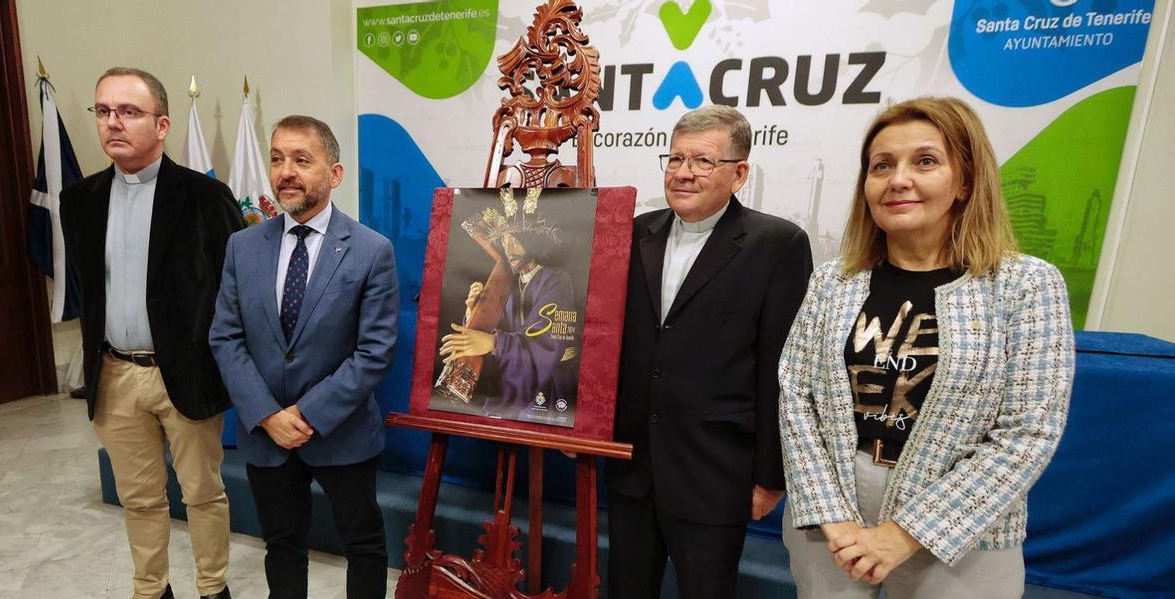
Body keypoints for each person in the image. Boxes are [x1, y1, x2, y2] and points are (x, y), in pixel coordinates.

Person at [779, 97, 1075, 598]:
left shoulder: (1026, 284)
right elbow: (797, 397)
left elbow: (1029, 431)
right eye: (882, 166)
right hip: (835, 514)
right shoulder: (834, 280)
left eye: (925, 161)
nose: (898, 179)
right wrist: (830, 514)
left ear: (964, 181)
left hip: (963, 527)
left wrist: (905, 534)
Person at [607, 105, 813, 598]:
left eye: (702, 161)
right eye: (675, 158)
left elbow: (780, 369)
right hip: (633, 464)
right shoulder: (633, 231)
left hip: (715, 470)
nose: (683, 173)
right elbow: (607, 341)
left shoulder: (777, 244)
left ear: (739, 173)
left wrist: (770, 476)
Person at [59, 67, 242, 599]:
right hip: (115, 374)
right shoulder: (80, 199)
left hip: (182, 373)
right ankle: (150, 589)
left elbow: (234, 289)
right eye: (104, 111)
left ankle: (213, 588)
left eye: (129, 112)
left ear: (161, 125)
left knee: (203, 493)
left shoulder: (205, 196)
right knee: (138, 497)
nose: (113, 122)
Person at [209, 115, 398, 599]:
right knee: (283, 545)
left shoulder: (371, 251)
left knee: (364, 544)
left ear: (334, 174)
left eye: (301, 160)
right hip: (266, 434)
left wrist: (307, 413)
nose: (285, 171)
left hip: (342, 432)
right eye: (276, 158)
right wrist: (268, 414)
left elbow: (375, 351)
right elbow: (226, 338)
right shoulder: (242, 246)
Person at [439, 226, 577, 421]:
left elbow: (547, 341)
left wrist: (494, 342)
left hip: (547, 382)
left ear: (531, 240)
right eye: (504, 241)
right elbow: (497, 330)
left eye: (515, 240)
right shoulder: (507, 285)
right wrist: (474, 312)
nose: (508, 248)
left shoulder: (557, 281)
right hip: (510, 380)